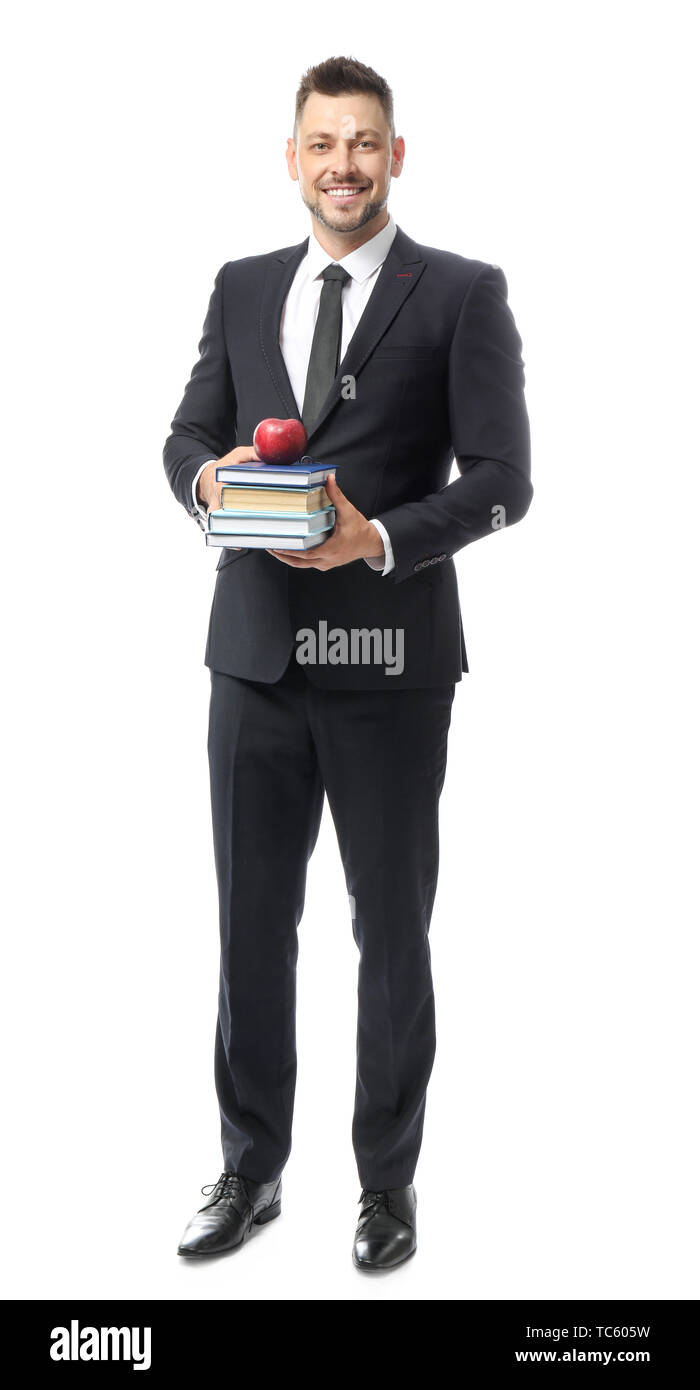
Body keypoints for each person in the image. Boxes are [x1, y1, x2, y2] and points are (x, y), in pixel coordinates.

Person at [163, 54, 532, 1272]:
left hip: (388, 667)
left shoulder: (460, 294)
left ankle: (386, 1184)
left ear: (395, 156)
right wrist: (204, 479)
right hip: (253, 663)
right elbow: (189, 434)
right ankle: (249, 1168)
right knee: (249, 927)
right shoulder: (240, 284)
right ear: (292, 157)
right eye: (322, 143)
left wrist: (383, 540)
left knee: (393, 933)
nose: (342, 164)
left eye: (364, 142)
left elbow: (502, 481)